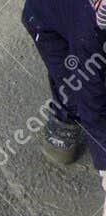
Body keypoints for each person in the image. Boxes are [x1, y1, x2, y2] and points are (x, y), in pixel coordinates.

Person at [20, 0, 106, 176]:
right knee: (72, 85)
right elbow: (91, 95)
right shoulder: (90, 32)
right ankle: (66, 117)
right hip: (46, 21)